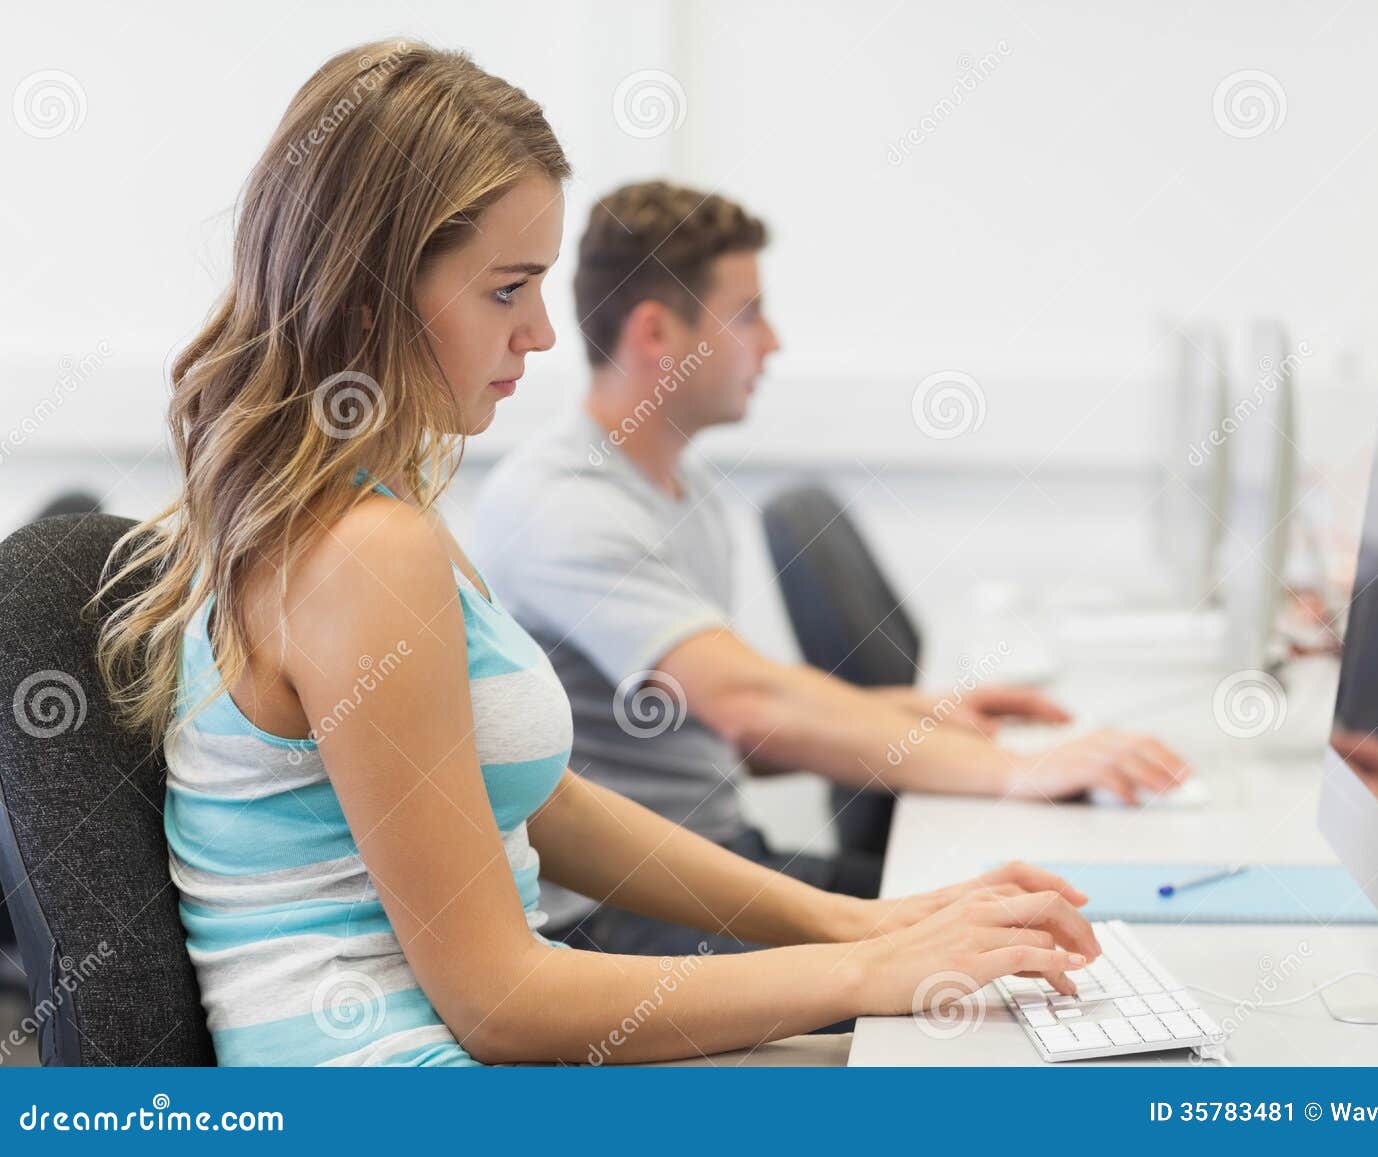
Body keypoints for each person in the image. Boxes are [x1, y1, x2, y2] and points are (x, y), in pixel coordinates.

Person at [93, 40, 1099, 1067]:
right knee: (987, 1082)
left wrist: (860, 924)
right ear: (371, 293)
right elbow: (499, 1000)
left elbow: (546, 803)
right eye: (505, 289)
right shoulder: (363, 550)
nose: (537, 331)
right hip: (400, 1079)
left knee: (965, 1058)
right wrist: (860, 973)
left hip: (454, 1058)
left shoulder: (375, 507)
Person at [472, 181, 1193, 957]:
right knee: (992, 969)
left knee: (1022, 921)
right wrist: (1016, 769)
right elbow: (746, 703)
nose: (772, 342)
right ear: (656, 332)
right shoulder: (561, 505)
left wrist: (910, 711)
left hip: (717, 866)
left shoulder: (679, 484)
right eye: (746, 314)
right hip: (622, 917)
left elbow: (715, 728)